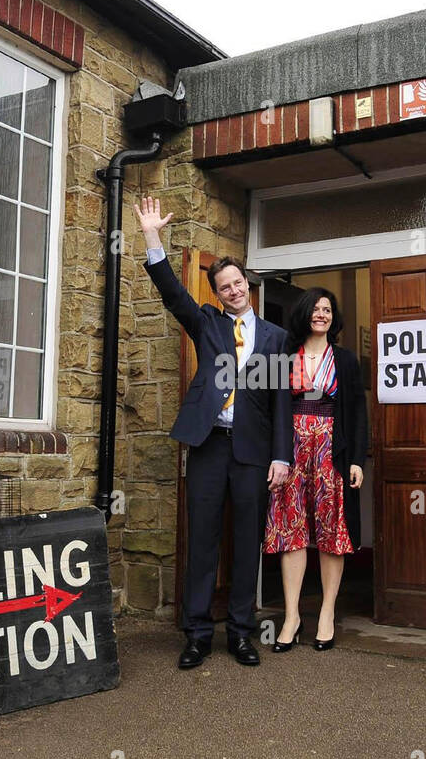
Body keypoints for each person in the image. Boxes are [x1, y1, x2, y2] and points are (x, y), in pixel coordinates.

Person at [133, 196, 291, 669]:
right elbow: (172, 294)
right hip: (207, 449)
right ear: (218, 294)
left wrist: (281, 458)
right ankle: (197, 635)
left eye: (238, 283)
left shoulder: (276, 338)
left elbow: (282, 403)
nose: (233, 291)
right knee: (202, 542)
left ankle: (242, 634)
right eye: (224, 287)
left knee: (247, 545)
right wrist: (151, 236)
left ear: (249, 285)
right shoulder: (205, 323)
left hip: (253, 455)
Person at [263, 287, 368, 652]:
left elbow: (357, 412)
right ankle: (291, 615)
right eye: (316, 309)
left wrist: (357, 458)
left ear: (333, 317)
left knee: (330, 530)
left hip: (331, 451)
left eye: (327, 309)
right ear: (305, 313)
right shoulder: (285, 356)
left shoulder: (346, 359)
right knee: (291, 529)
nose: (321, 314)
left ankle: (326, 613)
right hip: (290, 451)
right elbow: (272, 408)